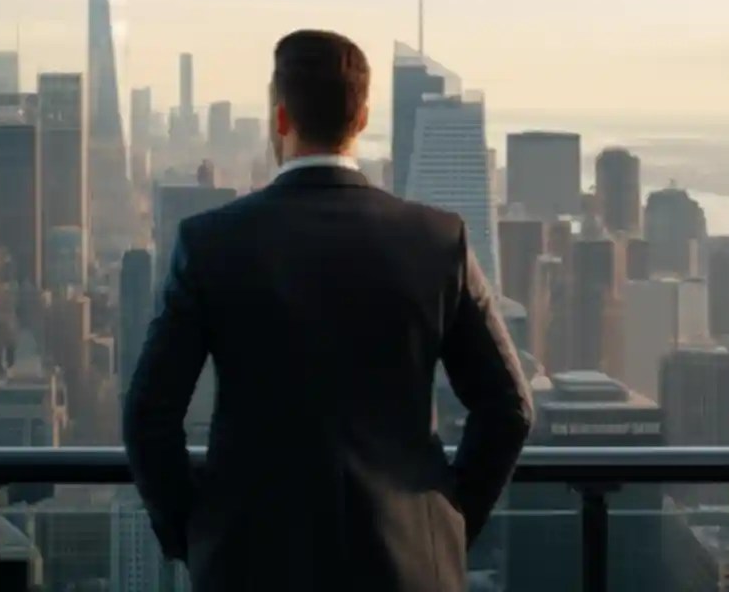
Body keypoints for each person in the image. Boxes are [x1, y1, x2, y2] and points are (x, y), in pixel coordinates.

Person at [124, 30, 533, 592]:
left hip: (250, 567)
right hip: (408, 568)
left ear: (281, 118)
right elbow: (508, 408)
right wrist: (443, 525)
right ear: (363, 119)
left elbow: (149, 414)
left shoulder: (211, 243)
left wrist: (198, 536)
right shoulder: (438, 241)